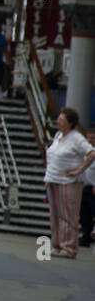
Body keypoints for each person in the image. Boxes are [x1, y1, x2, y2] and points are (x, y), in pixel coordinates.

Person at [43, 107, 95, 259]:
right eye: (58, 118)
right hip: (54, 179)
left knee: (67, 214)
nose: (58, 121)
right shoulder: (58, 135)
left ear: (70, 123)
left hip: (69, 181)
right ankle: (56, 245)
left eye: (61, 119)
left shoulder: (76, 138)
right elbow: (52, 158)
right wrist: (47, 177)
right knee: (55, 214)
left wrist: (79, 170)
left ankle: (69, 247)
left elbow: (91, 153)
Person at [81, 129, 95, 248]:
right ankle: (86, 237)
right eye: (88, 138)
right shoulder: (85, 152)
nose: (90, 141)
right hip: (84, 187)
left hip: (93, 187)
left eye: (93, 138)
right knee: (84, 214)